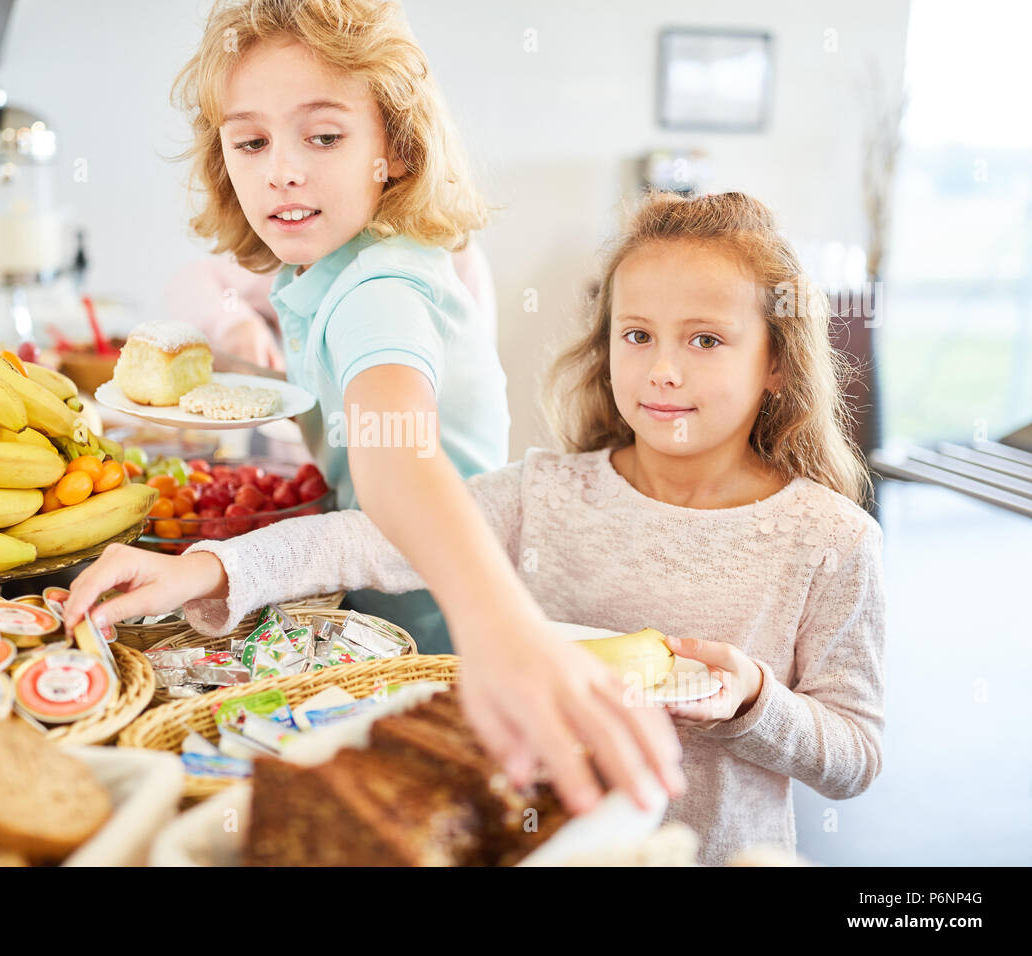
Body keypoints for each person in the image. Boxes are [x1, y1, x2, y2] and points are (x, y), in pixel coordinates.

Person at [71, 190, 886, 860]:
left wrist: (753, 700)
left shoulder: (831, 540)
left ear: (775, 361)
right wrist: (207, 568)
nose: (662, 370)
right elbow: (371, 535)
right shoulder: (545, 493)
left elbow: (853, 755)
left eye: (706, 340)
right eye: (637, 335)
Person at [67, 0, 685, 816]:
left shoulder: (377, 290)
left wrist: (504, 634)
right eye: (251, 141)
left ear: (391, 148)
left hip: (439, 639)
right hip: (393, 607)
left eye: (323, 137)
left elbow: (396, 458)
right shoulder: (342, 266)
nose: (282, 169)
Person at [165, 241, 499, 374]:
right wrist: (236, 324)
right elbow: (189, 282)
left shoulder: (456, 261)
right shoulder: (298, 249)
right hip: (299, 467)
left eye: (328, 139)